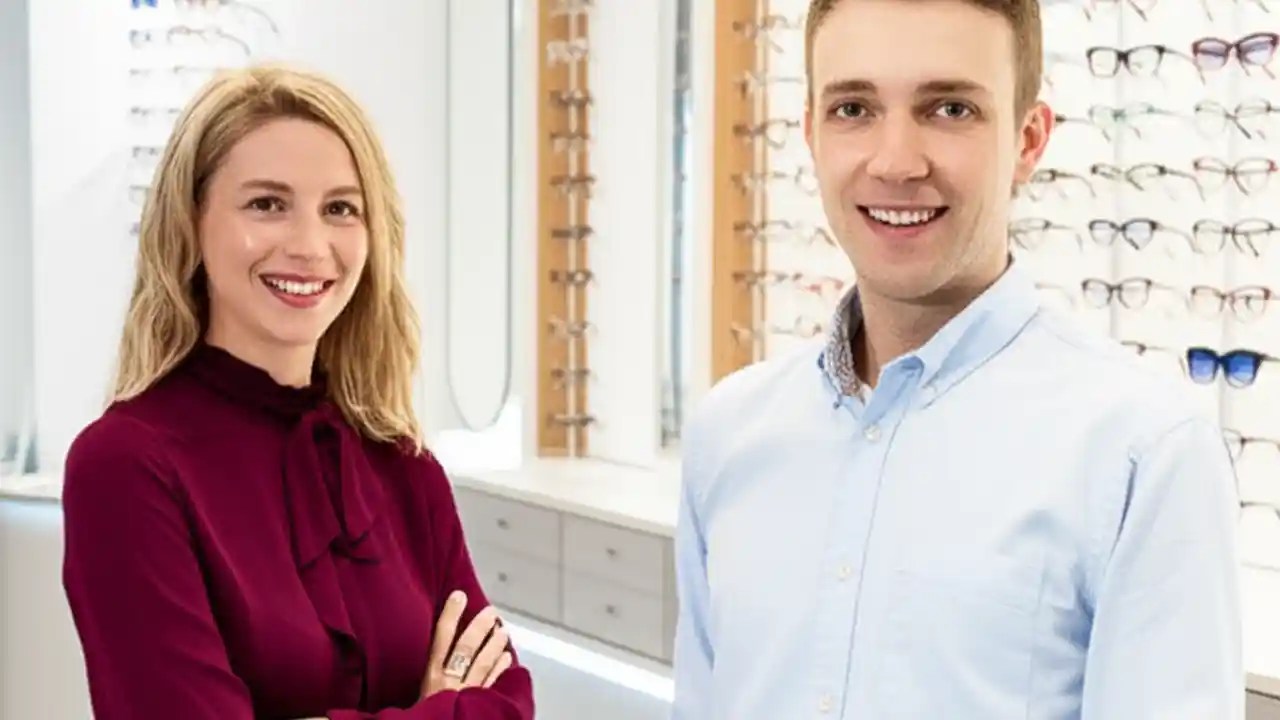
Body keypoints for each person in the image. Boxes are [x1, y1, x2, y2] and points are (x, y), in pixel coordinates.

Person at [672, 0, 1243, 718]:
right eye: (855, 108)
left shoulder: (1144, 454)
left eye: (949, 109)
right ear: (811, 133)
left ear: (1028, 139)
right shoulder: (730, 434)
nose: (896, 163)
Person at [61, 65, 535, 720]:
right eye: (267, 204)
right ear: (191, 224)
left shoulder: (402, 466)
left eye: (340, 209)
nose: (310, 246)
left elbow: (507, 702)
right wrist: (436, 711)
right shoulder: (125, 466)